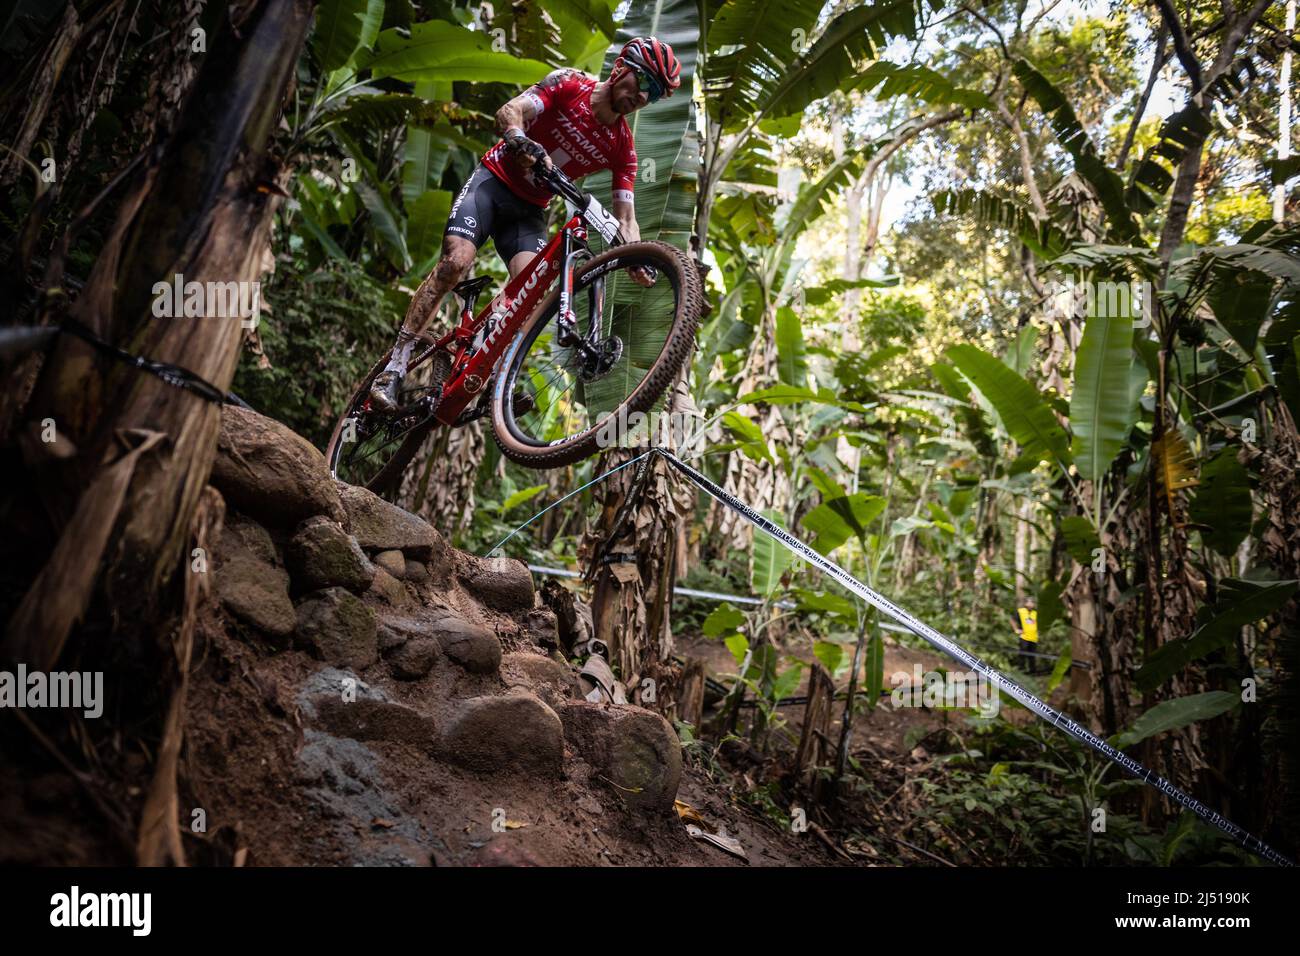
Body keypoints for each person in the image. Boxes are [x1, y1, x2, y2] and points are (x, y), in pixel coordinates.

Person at [368, 37, 683, 411]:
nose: (644, 97)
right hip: (493, 183)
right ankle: (395, 366)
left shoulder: (622, 147)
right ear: (620, 69)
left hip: (530, 210)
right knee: (455, 263)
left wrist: (635, 255)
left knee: (528, 298)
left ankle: (484, 372)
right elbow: (510, 111)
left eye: (655, 95)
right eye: (645, 83)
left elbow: (626, 218)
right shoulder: (570, 85)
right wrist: (519, 139)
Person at [1012, 602, 1039, 675]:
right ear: (1025, 603)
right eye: (1028, 602)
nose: (1030, 604)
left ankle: (1032, 672)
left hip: (1033, 638)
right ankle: (1021, 670)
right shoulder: (1021, 611)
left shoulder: (1035, 613)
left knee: (1032, 656)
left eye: (1032, 603)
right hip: (1024, 637)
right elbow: (1012, 620)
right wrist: (1016, 629)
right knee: (1022, 654)